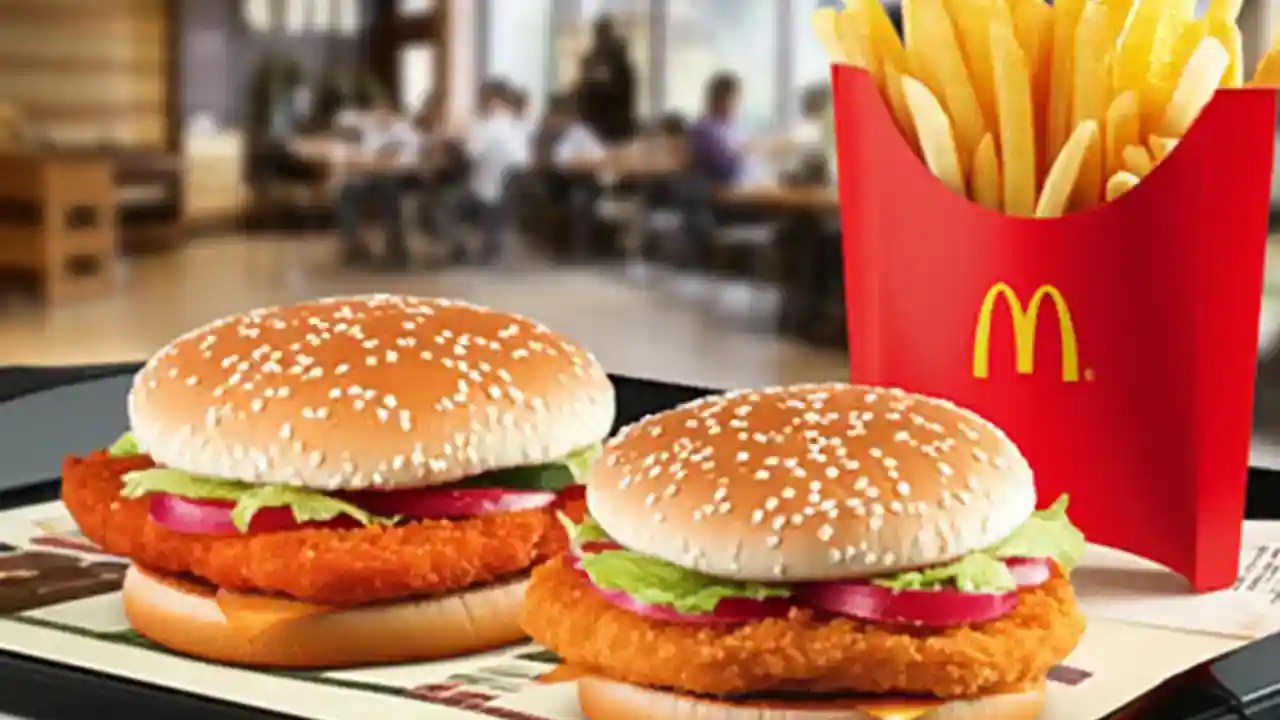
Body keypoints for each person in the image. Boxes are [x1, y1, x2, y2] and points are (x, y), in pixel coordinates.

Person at [333, 106, 424, 269]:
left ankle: (395, 246)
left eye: (387, 111)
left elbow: (412, 161)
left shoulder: (405, 132)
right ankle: (354, 244)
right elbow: (342, 119)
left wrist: (387, 164)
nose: (383, 115)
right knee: (348, 191)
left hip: (401, 180)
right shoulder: (371, 129)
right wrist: (366, 116)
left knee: (388, 190)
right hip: (373, 177)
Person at [463, 79, 529, 263]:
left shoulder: (488, 125)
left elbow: (472, 151)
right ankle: (490, 246)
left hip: (490, 184)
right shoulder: (518, 123)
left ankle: (481, 248)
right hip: (512, 181)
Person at [576, 16, 636, 143]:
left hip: (608, 124)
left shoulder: (609, 60)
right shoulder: (596, 59)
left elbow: (597, 87)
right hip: (605, 123)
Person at [688, 72, 746, 186]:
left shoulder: (727, 129)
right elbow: (722, 167)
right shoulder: (705, 129)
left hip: (727, 189)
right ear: (718, 99)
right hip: (710, 194)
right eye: (732, 99)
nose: (736, 106)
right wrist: (741, 152)